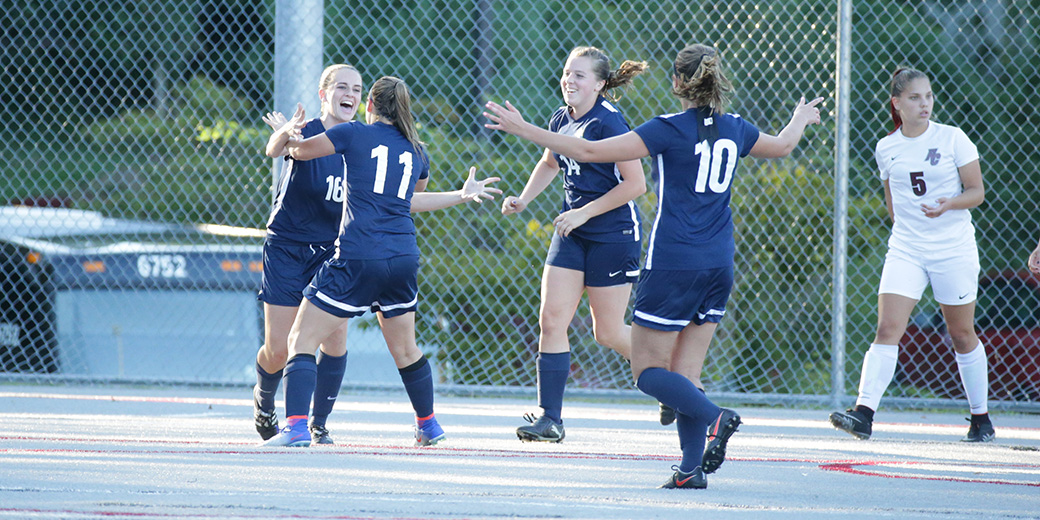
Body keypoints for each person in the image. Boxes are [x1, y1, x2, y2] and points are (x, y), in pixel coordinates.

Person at [484, 43, 822, 488]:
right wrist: (799, 118)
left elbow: (588, 153)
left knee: (647, 372)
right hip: (719, 264)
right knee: (686, 374)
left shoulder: (667, 129)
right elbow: (781, 146)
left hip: (673, 262)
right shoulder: (736, 127)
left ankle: (716, 418)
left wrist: (523, 128)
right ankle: (689, 469)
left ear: (678, 84)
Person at [262, 76, 501, 447]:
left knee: (302, 339)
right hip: (403, 258)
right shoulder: (416, 151)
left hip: (359, 255)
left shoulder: (354, 133)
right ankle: (429, 425)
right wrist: (459, 195)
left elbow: (298, 152)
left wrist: (285, 133)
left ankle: (295, 427)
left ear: (369, 105)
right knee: (407, 349)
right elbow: (407, 201)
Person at [828, 67, 992, 443]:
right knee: (888, 329)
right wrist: (910, 232)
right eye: (915, 97)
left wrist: (949, 204)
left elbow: (977, 192)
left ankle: (980, 418)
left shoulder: (953, 138)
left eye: (929, 96)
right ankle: (864, 413)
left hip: (953, 248)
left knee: (961, 333)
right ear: (897, 103)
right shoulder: (887, 147)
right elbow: (894, 205)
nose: (925, 104)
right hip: (907, 248)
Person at [500, 46, 649, 443]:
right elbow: (551, 162)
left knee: (608, 332)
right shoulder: (559, 119)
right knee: (551, 320)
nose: (569, 80)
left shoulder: (609, 123)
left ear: (600, 85)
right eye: (567, 72)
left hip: (612, 234)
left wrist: (585, 212)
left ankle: (674, 378)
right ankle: (551, 419)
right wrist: (524, 199)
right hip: (571, 232)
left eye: (580, 75)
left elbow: (636, 185)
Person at [252, 64, 362, 445]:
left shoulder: (359, 140)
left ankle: (318, 422)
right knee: (279, 349)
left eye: (358, 89)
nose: (350, 94)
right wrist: (284, 132)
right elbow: (275, 150)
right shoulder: (308, 132)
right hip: (288, 247)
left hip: (332, 252)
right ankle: (264, 399)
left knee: (335, 340)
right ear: (324, 93)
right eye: (342, 87)